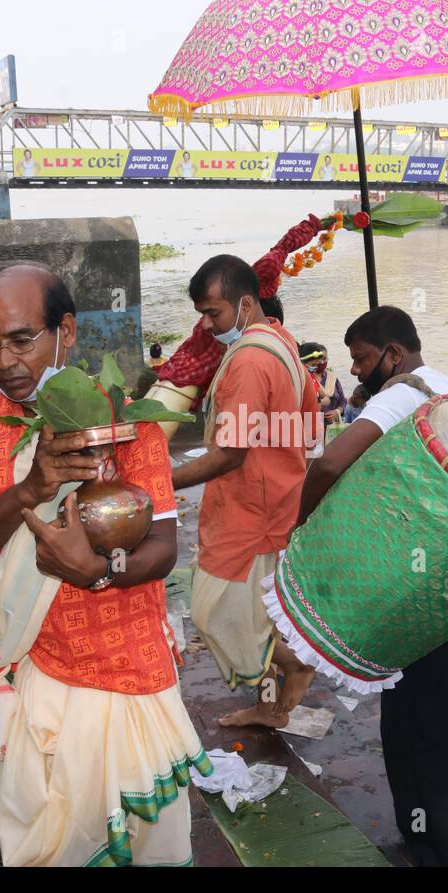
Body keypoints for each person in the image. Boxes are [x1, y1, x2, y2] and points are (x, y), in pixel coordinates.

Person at [0, 264, 211, 866]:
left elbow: (162, 549)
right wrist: (27, 492)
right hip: (27, 672)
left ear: (67, 331)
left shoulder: (125, 422)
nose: (5, 361)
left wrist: (97, 572)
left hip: (124, 674)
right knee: (45, 843)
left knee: (143, 845)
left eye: (22, 339)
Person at [296, 305, 448, 866]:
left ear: (393, 354)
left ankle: (430, 846)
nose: (355, 372)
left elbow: (328, 466)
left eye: (362, 359)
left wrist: (299, 530)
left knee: (411, 722)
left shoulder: (399, 394)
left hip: (417, 590)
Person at [171, 255, 320, 729]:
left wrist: (161, 480)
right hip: (276, 499)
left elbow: (231, 453)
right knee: (261, 614)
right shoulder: (280, 341)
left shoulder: (252, 360)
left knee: (216, 613)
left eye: (213, 313)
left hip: (251, 511)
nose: (207, 324)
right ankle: (271, 706)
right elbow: (311, 427)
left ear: (246, 303)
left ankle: (295, 667)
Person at [300, 341, 345, 426]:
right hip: (309, 425)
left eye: (324, 359)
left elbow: (342, 400)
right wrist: (319, 403)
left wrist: (337, 411)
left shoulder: (331, 377)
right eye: (314, 363)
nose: (321, 363)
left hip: (331, 426)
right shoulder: (304, 378)